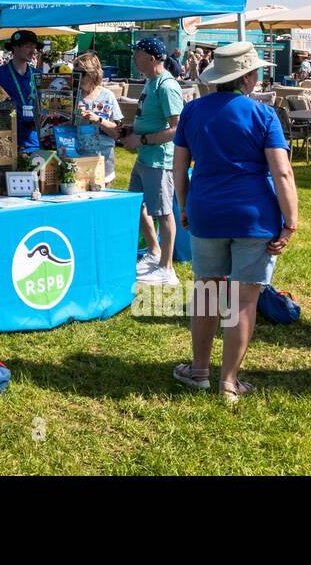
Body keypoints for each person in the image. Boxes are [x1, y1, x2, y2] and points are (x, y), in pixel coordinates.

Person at [172, 42, 299, 401]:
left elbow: (179, 167)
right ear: (248, 77)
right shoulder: (264, 115)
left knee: (207, 293)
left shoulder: (192, 112)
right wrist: (290, 221)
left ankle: (198, 371)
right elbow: (283, 172)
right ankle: (229, 381)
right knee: (243, 301)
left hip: (206, 211)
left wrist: (184, 205)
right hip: (254, 216)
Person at [124, 37, 185, 286]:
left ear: (151, 58)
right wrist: (132, 128)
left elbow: (177, 128)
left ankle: (167, 268)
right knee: (138, 206)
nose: (133, 57)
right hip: (144, 158)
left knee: (163, 212)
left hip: (159, 160)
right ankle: (154, 252)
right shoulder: (152, 81)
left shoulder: (167, 86)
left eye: (137, 53)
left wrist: (142, 139)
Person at [72, 50, 124, 183]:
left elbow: (119, 132)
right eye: (74, 73)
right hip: (77, 160)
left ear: (93, 73)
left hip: (103, 161)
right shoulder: (71, 96)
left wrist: (97, 119)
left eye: (81, 73)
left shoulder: (107, 96)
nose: (77, 77)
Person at [0, 30, 42, 152]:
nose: (33, 50)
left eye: (34, 46)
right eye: (28, 46)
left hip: (34, 143)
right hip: (5, 143)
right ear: (15, 47)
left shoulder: (39, 75)